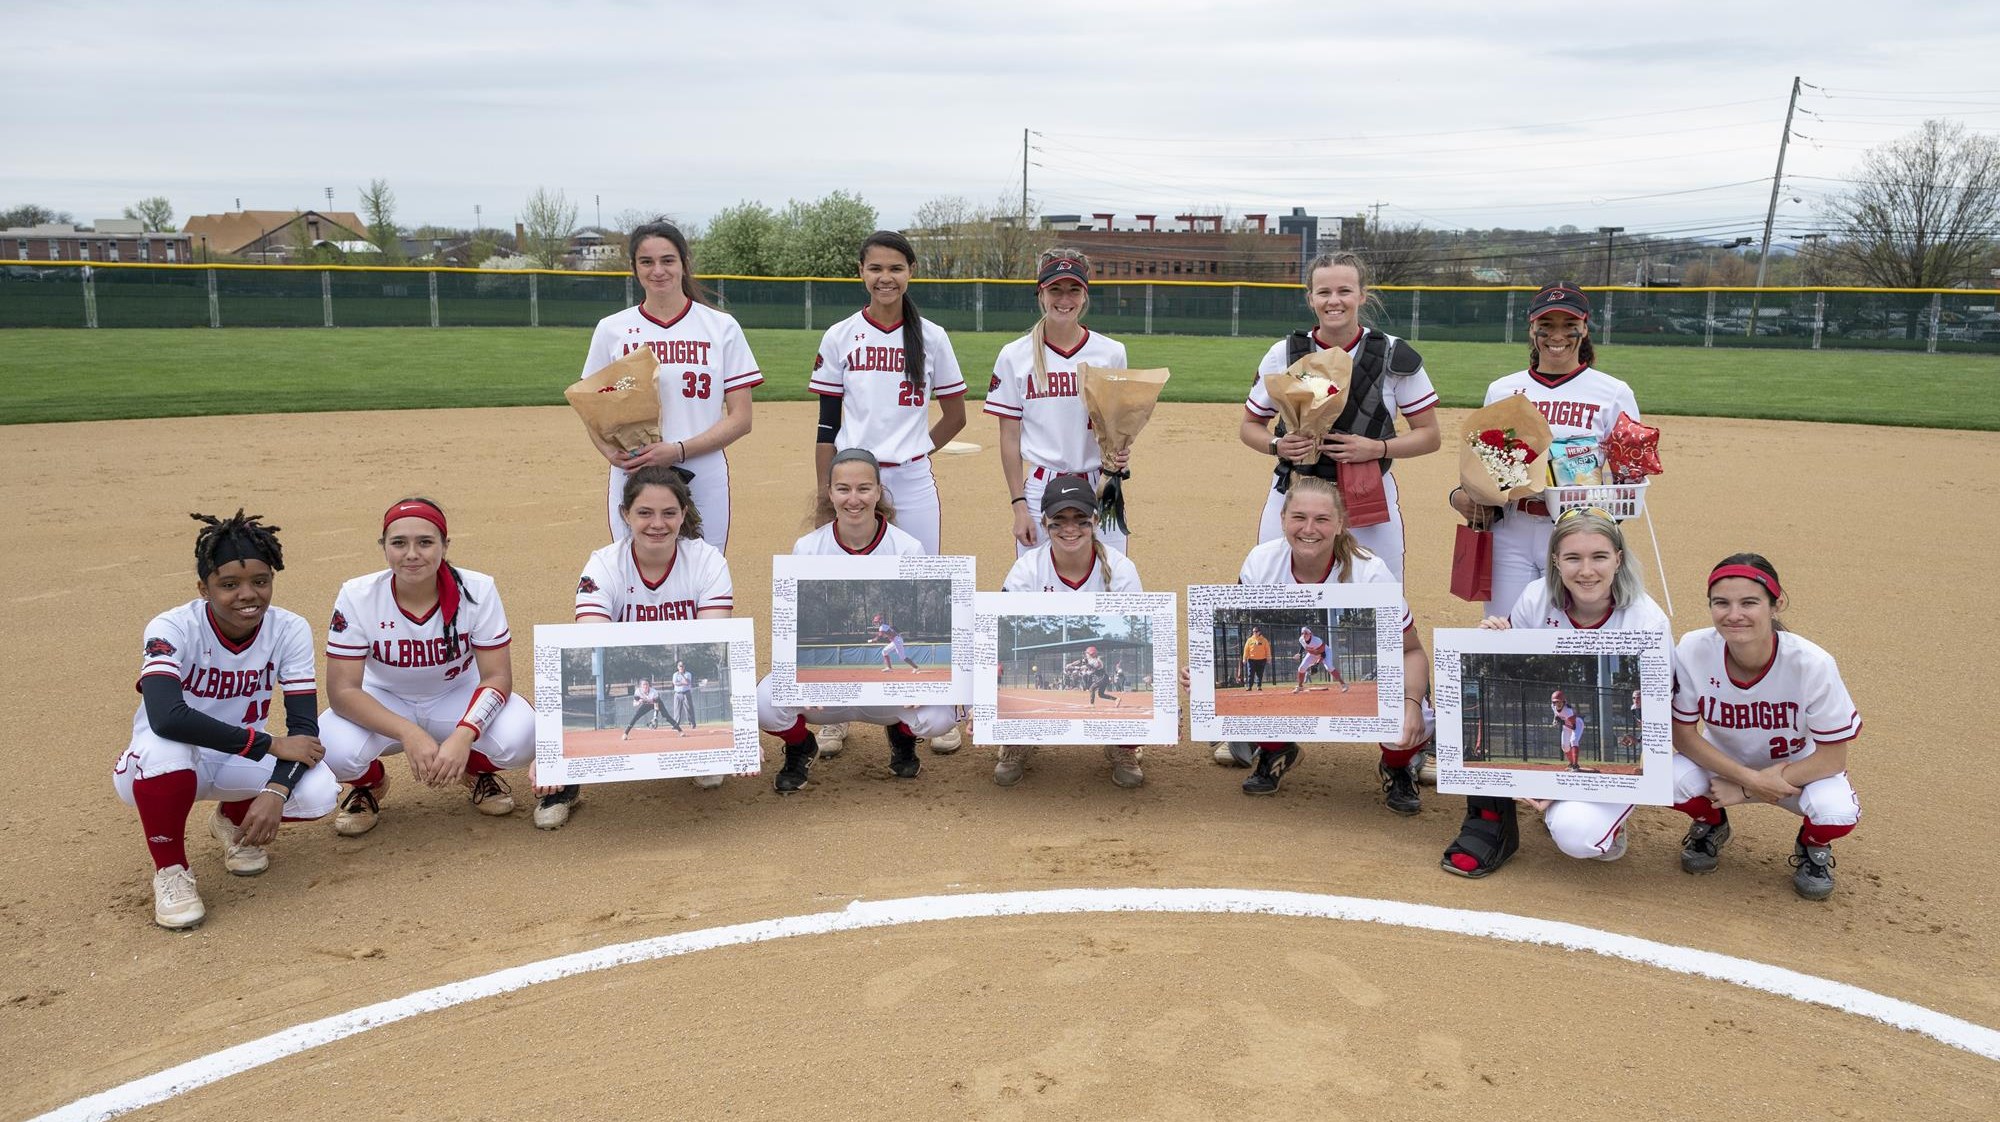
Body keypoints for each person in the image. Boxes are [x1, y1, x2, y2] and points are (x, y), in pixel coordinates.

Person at [113, 510, 336, 929]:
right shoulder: (172, 626)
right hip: (158, 762)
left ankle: (233, 822)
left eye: (260, 581)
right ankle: (171, 871)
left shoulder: (289, 629)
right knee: (168, 752)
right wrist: (267, 746)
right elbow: (166, 718)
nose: (248, 595)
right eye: (229, 585)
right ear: (204, 588)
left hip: (233, 756)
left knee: (320, 791)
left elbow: (304, 731)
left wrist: (276, 791)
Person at [1439, 509, 1670, 878]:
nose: (1586, 570)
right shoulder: (1535, 596)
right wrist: (1494, 643)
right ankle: (1490, 822)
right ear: (1556, 563)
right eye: (1573, 558)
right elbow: (1509, 665)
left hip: (1611, 744)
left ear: (1619, 559)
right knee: (1491, 710)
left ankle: (1595, 811)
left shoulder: (1647, 620)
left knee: (1575, 836)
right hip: (1565, 726)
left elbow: (1661, 718)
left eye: (1599, 556)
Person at [321, 498, 536, 836]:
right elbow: (342, 691)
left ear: (444, 545)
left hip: (456, 694)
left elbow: (496, 677)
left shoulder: (477, 589)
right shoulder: (357, 595)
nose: (411, 554)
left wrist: (465, 736)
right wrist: (409, 732)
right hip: (385, 698)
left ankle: (475, 770)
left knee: (524, 735)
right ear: (384, 547)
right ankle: (369, 784)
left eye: (425, 542)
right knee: (330, 748)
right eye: (398, 543)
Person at [536, 466, 735, 829]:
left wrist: (742, 737)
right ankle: (564, 778)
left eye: (669, 513)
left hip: (674, 666)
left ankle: (707, 753)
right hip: (635, 670)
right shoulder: (604, 564)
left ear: (683, 515)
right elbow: (589, 643)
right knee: (562, 674)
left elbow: (714, 642)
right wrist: (552, 749)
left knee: (736, 721)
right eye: (644, 513)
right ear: (625, 514)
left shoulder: (707, 560)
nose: (657, 523)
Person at [1218, 477, 1432, 813]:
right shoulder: (1261, 561)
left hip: (1326, 653)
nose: (1309, 529)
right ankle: (1276, 749)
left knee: (1413, 715)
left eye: (1322, 519)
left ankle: (1397, 764)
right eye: (1299, 517)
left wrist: (1412, 703)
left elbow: (1411, 650)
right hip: (1311, 655)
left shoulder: (1370, 572)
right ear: (1283, 520)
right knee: (1248, 704)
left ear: (1340, 524)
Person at [1669, 554, 1861, 901]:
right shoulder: (1693, 648)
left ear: (1777, 604)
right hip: (1721, 765)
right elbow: (1683, 737)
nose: (1734, 614)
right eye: (1721, 603)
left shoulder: (1812, 663)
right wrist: (1751, 779)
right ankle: (1712, 824)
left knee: (1836, 812)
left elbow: (1832, 760)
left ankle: (1812, 845)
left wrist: (1747, 790)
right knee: (1664, 782)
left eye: (1749, 602)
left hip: (1796, 771)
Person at [1240, 251, 1441, 580]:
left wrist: (1379, 449)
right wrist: (1278, 445)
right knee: (1275, 597)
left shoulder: (1392, 352)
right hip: (1296, 490)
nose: (1334, 301)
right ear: (1311, 299)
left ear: (1362, 295)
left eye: (1345, 291)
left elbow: (1430, 435)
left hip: (1368, 494)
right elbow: (1250, 426)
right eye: (1324, 292)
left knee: (1380, 605)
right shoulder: (1284, 353)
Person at [1449, 281, 1642, 617]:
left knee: (1573, 632)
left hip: (1578, 531)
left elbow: (1629, 476)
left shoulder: (1613, 392)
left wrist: (1599, 535)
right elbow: (1483, 466)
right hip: (1512, 528)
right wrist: (1462, 495)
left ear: (1584, 328)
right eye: (1546, 326)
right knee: (1505, 629)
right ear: (1532, 329)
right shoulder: (1502, 389)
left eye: (1569, 325)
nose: (1557, 336)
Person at [578, 220, 761, 552]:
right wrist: (613, 455)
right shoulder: (612, 329)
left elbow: (741, 419)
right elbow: (593, 410)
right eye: (646, 262)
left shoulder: (720, 327)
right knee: (633, 569)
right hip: (635, 473)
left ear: (684, 262)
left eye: (668, 260)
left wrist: (677, 450)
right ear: (634, 268)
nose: (658, 270)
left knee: (704, 569)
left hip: (701, 468)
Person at [790, 447, 963, 760]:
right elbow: (795, 625)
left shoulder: (908, 547)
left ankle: (901, 732)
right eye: (843, 489)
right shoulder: (808, 548)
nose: (853, 498)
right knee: (765, 701)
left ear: (879, 491)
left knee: (942, 713)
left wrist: (924, 685)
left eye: (864, 488)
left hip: (890, 677)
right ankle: (801, 746)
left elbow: (920, 617)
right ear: (829, 493)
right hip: (838, 677)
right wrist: (806, 681)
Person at [809, 231, 967, 554]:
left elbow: (956, 416)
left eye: (895, 268)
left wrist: (916, 448)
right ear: (861, 271)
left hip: (912, 480)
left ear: (912, 271)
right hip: (854, 479)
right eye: (875, 268)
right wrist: (826, 492)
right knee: (848, 579)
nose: (885, 278)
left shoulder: (932, 337)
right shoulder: (840, 335)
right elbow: (827, 426)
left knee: (921, 582)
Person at [998, 474, 1146, 788]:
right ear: (1044, 522)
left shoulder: (1121, 570)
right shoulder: (1027, 569)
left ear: (1095, 519)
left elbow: (1141, 634)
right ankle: (1016, 739)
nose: (1070, 529)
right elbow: (1000, 634)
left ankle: (1124, 746)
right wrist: (979, 705)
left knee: (1125, 697)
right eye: (1059, 520)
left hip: (1104, 665)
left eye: (1080, 519)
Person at [984, 249, 1135, 556]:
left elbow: (1115, 427)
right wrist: (1018, 507)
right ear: (1041, 292)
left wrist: (1119, 455)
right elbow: (1009, 437)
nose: (1064, 299)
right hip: (1041, 486)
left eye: (1073, 290)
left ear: (1085, 294)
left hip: (1101, 485)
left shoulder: (1111, 352)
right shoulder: (1015, 355)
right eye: (1055, 289)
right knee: (1037, 594)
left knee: (1111, 587)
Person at [1242, 626, 1271, 691]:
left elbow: (1267, 650)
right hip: (1251, 660)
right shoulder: (1249, 640)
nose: (1254, 632)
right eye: (1253, 631)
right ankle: (1249, 686)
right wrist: (1244, 658)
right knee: (1250, 674)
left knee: (1260, 674)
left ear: (1259, 632)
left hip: (1262, 660)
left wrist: (1268, 658)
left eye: (1256, 631)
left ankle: (1259, 686)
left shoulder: (1264, 640)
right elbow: (1246, 650)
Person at [671, 660, 697, 733]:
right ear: (677, 667)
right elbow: (675, 683)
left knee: (689, 709)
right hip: (677, 693)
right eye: (680, 666)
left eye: (682, 666)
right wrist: (682, 682)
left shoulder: (688, 674)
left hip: (686, 693)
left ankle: (692, 723)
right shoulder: (675, 674)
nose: (681, 667)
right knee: (676, 710)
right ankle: (676, 724)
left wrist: (682, 676)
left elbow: (687, 682)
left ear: (684, 667)